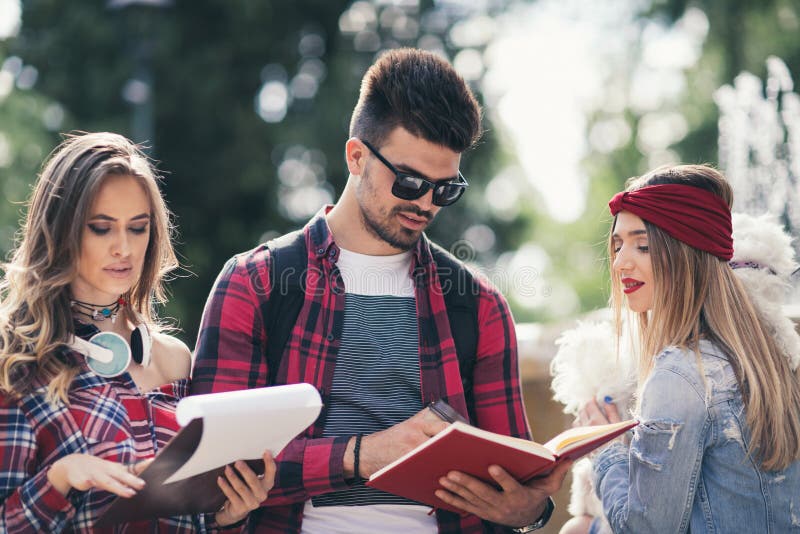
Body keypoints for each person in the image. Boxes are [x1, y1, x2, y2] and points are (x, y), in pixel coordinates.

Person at [191, 48, 569, 533]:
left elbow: (518, 481)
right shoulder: (255, 284)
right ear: (356, 157)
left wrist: (531, 512)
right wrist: (361, 455)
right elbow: (213, 472)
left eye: (445, 189)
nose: (426, 204)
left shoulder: (479, 307)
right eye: (409, 182)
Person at [0, 132, 276, 533]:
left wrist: (226, 517)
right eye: (101, 228)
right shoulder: (16, 359)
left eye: (138, 228)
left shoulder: (175, 359)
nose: (124, 248)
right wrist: (61, 476)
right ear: (60, 232)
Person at [574, 164, 800, 533]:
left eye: (643, 246)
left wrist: (604, 447)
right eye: (617, 245)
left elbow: (644, 528)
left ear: (686, 254)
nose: (619, 263)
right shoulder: (772, 353)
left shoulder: (682, 374)